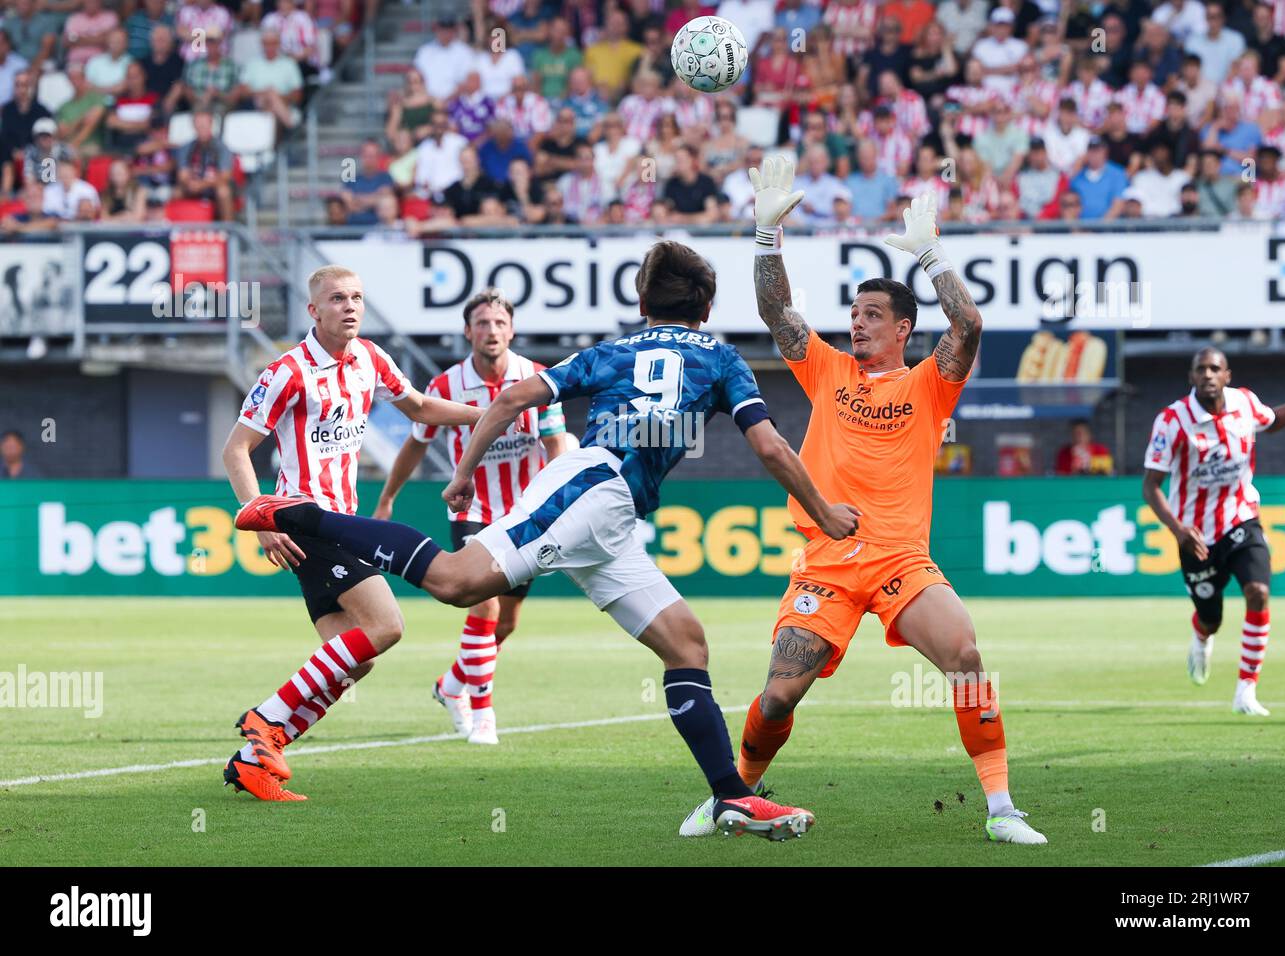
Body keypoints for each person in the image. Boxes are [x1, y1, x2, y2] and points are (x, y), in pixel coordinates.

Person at [235, 241, 863, 839]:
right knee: (456, 583)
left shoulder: (616, 350)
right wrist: (824, 512)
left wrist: (461, 473)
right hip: (593, 493)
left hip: (608, 515)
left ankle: (730, 797)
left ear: (644, 306)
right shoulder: (721, 358)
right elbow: (772, 446)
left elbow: (509, 399)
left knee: (686, 643)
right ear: (705, 308)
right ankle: (294, 514)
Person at [679, 159, 1048, 845]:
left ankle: (1001, 809)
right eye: (853, 314)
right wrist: (766, 235)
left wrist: (932, 252)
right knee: (778, 695)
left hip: (900, 559)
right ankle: (733, 793)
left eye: (873, 316)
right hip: (826, 560)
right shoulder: (828, 369)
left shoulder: (930, 383)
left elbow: (967, 324)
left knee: (965, 657)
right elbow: (774, 312)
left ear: (904, 328)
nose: (857, 325)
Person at [219, 265, 483, 801]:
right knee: (386, 626)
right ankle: (264, 720)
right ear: (313, 311)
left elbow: (421, 407)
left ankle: (254, 761)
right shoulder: (286, 371)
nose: (351, 306)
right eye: (338, 298)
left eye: (358, 297)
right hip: (305, 521)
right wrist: (261, 515)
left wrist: (489, 413)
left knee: (351, 660)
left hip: (345, 521)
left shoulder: (371, 358)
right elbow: (236, 449)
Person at [373, 290, 568, 745]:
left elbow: (557, 444)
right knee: (485, 603)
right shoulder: (445, 387)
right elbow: (416, 444)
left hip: (526, 511)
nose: (492, 330)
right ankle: (482, 713)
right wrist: (387, 499)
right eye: (482, 323)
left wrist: (559, 496)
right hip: (473, 510)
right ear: (468, 332)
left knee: (506, 622)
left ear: (512, 330)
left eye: (499, 323)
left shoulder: (538, 380)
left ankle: (452, 685)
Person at [1141, 348, 1285, 715]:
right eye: (1201, 369)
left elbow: (1273, 420)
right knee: (1212, 619)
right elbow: (1151, 487)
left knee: (1258, 592)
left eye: (1215, 368)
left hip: (1242, 519)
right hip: (1195, 536)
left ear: (1228, 375)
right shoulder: (1172, 421)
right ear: (1191, 377)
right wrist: (1178, 529)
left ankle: (1246, 689)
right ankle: (1201, 637)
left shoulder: (1244, 403)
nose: (1208, 374)